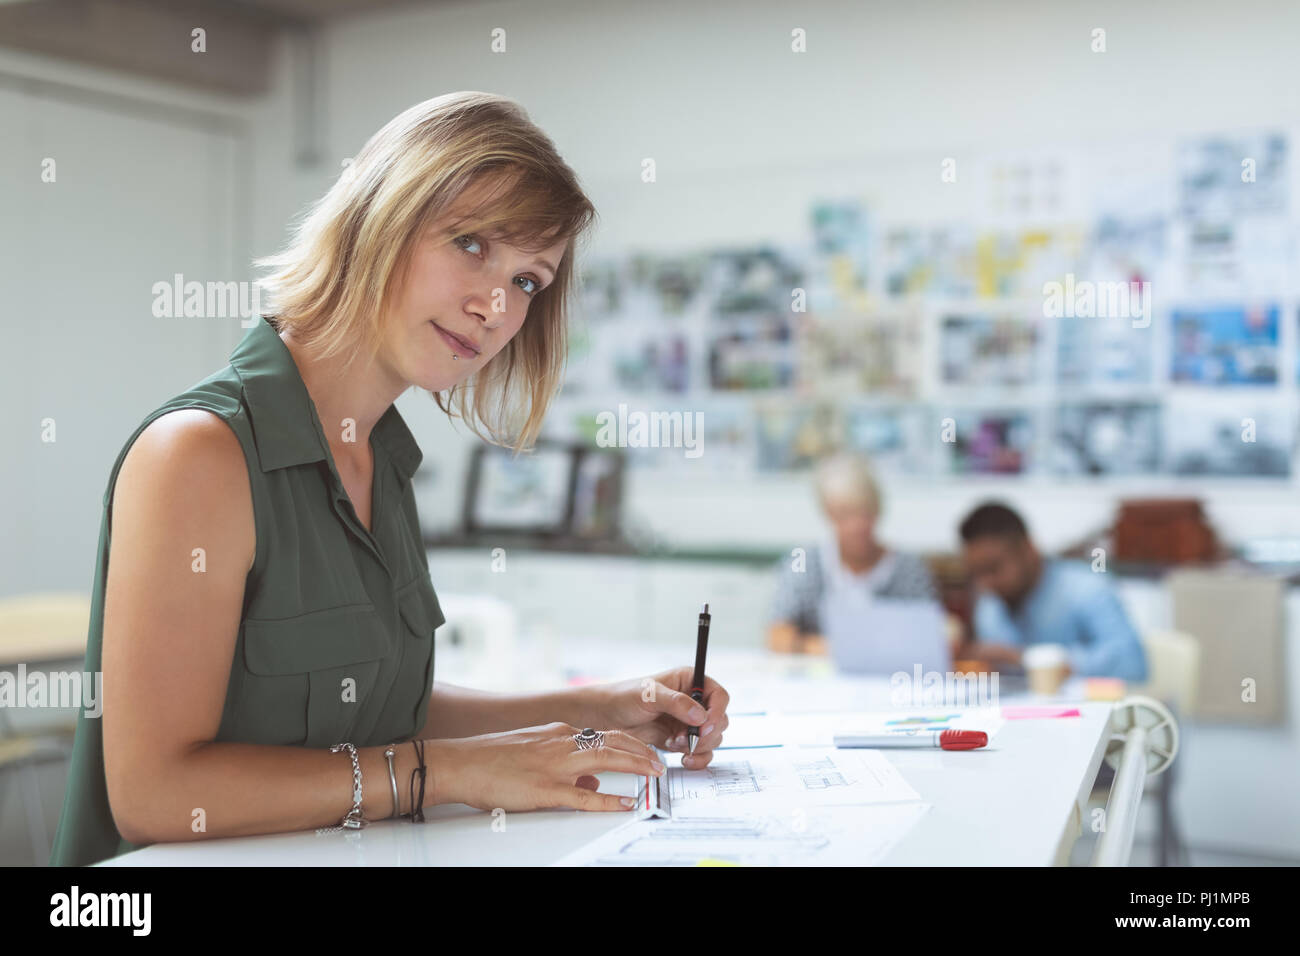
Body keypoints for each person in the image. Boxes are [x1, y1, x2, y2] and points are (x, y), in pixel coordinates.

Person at [50, 92, 730, 867]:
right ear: (379, 217)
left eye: (528, 282)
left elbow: (374, 711)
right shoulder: (199, 454)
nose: (494, 307)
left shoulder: (384, 459)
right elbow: (158, 795)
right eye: (471, 244)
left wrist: (605, 709)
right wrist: (441, 775)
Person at [767, 451, 944, 655]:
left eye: (864, 512)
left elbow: (929, 635)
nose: (857, 525)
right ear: (828, 513)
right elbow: (777, 635)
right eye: (845, 515)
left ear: (878, 509)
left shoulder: (908, 569)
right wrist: (836, 650)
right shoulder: (806, 564)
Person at [958, 502, 1148, 681]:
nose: (985, 584)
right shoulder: (991, 605)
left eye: (993, 568)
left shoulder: (1088, 589)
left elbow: (1132, 665)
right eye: (976, 574)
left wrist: (1034, 661)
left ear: (1028, 550)